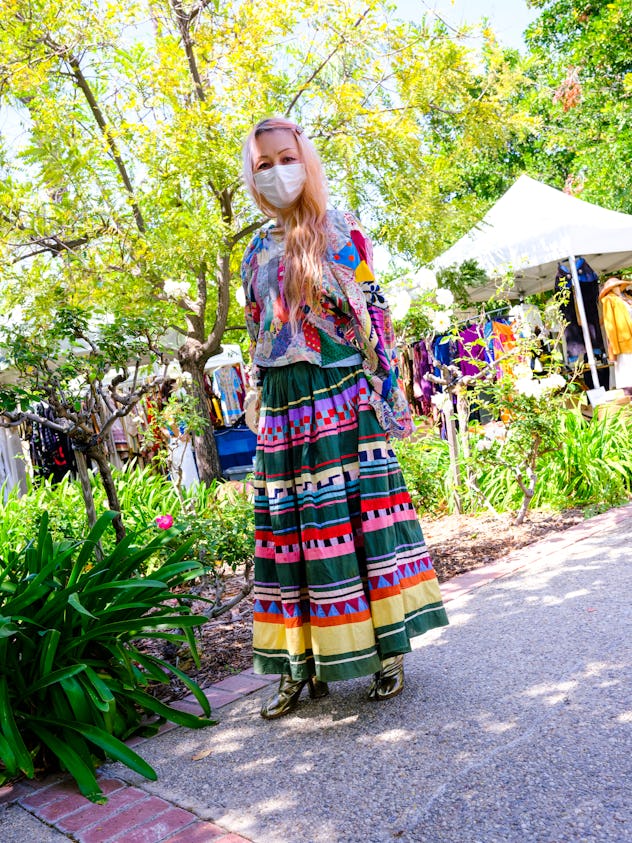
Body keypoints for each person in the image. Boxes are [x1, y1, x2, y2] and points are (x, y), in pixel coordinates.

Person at [240, 116, 449, 720]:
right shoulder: (256, 248)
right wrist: (256, 391)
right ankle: (299, 662)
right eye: (263, 165)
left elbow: (373, 313)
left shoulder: (339, 228)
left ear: (304, 159)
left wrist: (383, 390)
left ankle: (387, 652)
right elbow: (257, 327)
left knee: (356, 525)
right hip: (282, 408)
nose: (276, 172)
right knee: (289, 536)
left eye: (285, 158)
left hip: (338, 397)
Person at [599, 277, 632, 395]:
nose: (618, 288)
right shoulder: (609, 300)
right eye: (616, 286)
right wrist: (613, 347)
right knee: (626, 373)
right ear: (611, 289)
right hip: (623, 342)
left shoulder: (625, 299)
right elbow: (610, 325)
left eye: (619, 286)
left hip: (629, 340)